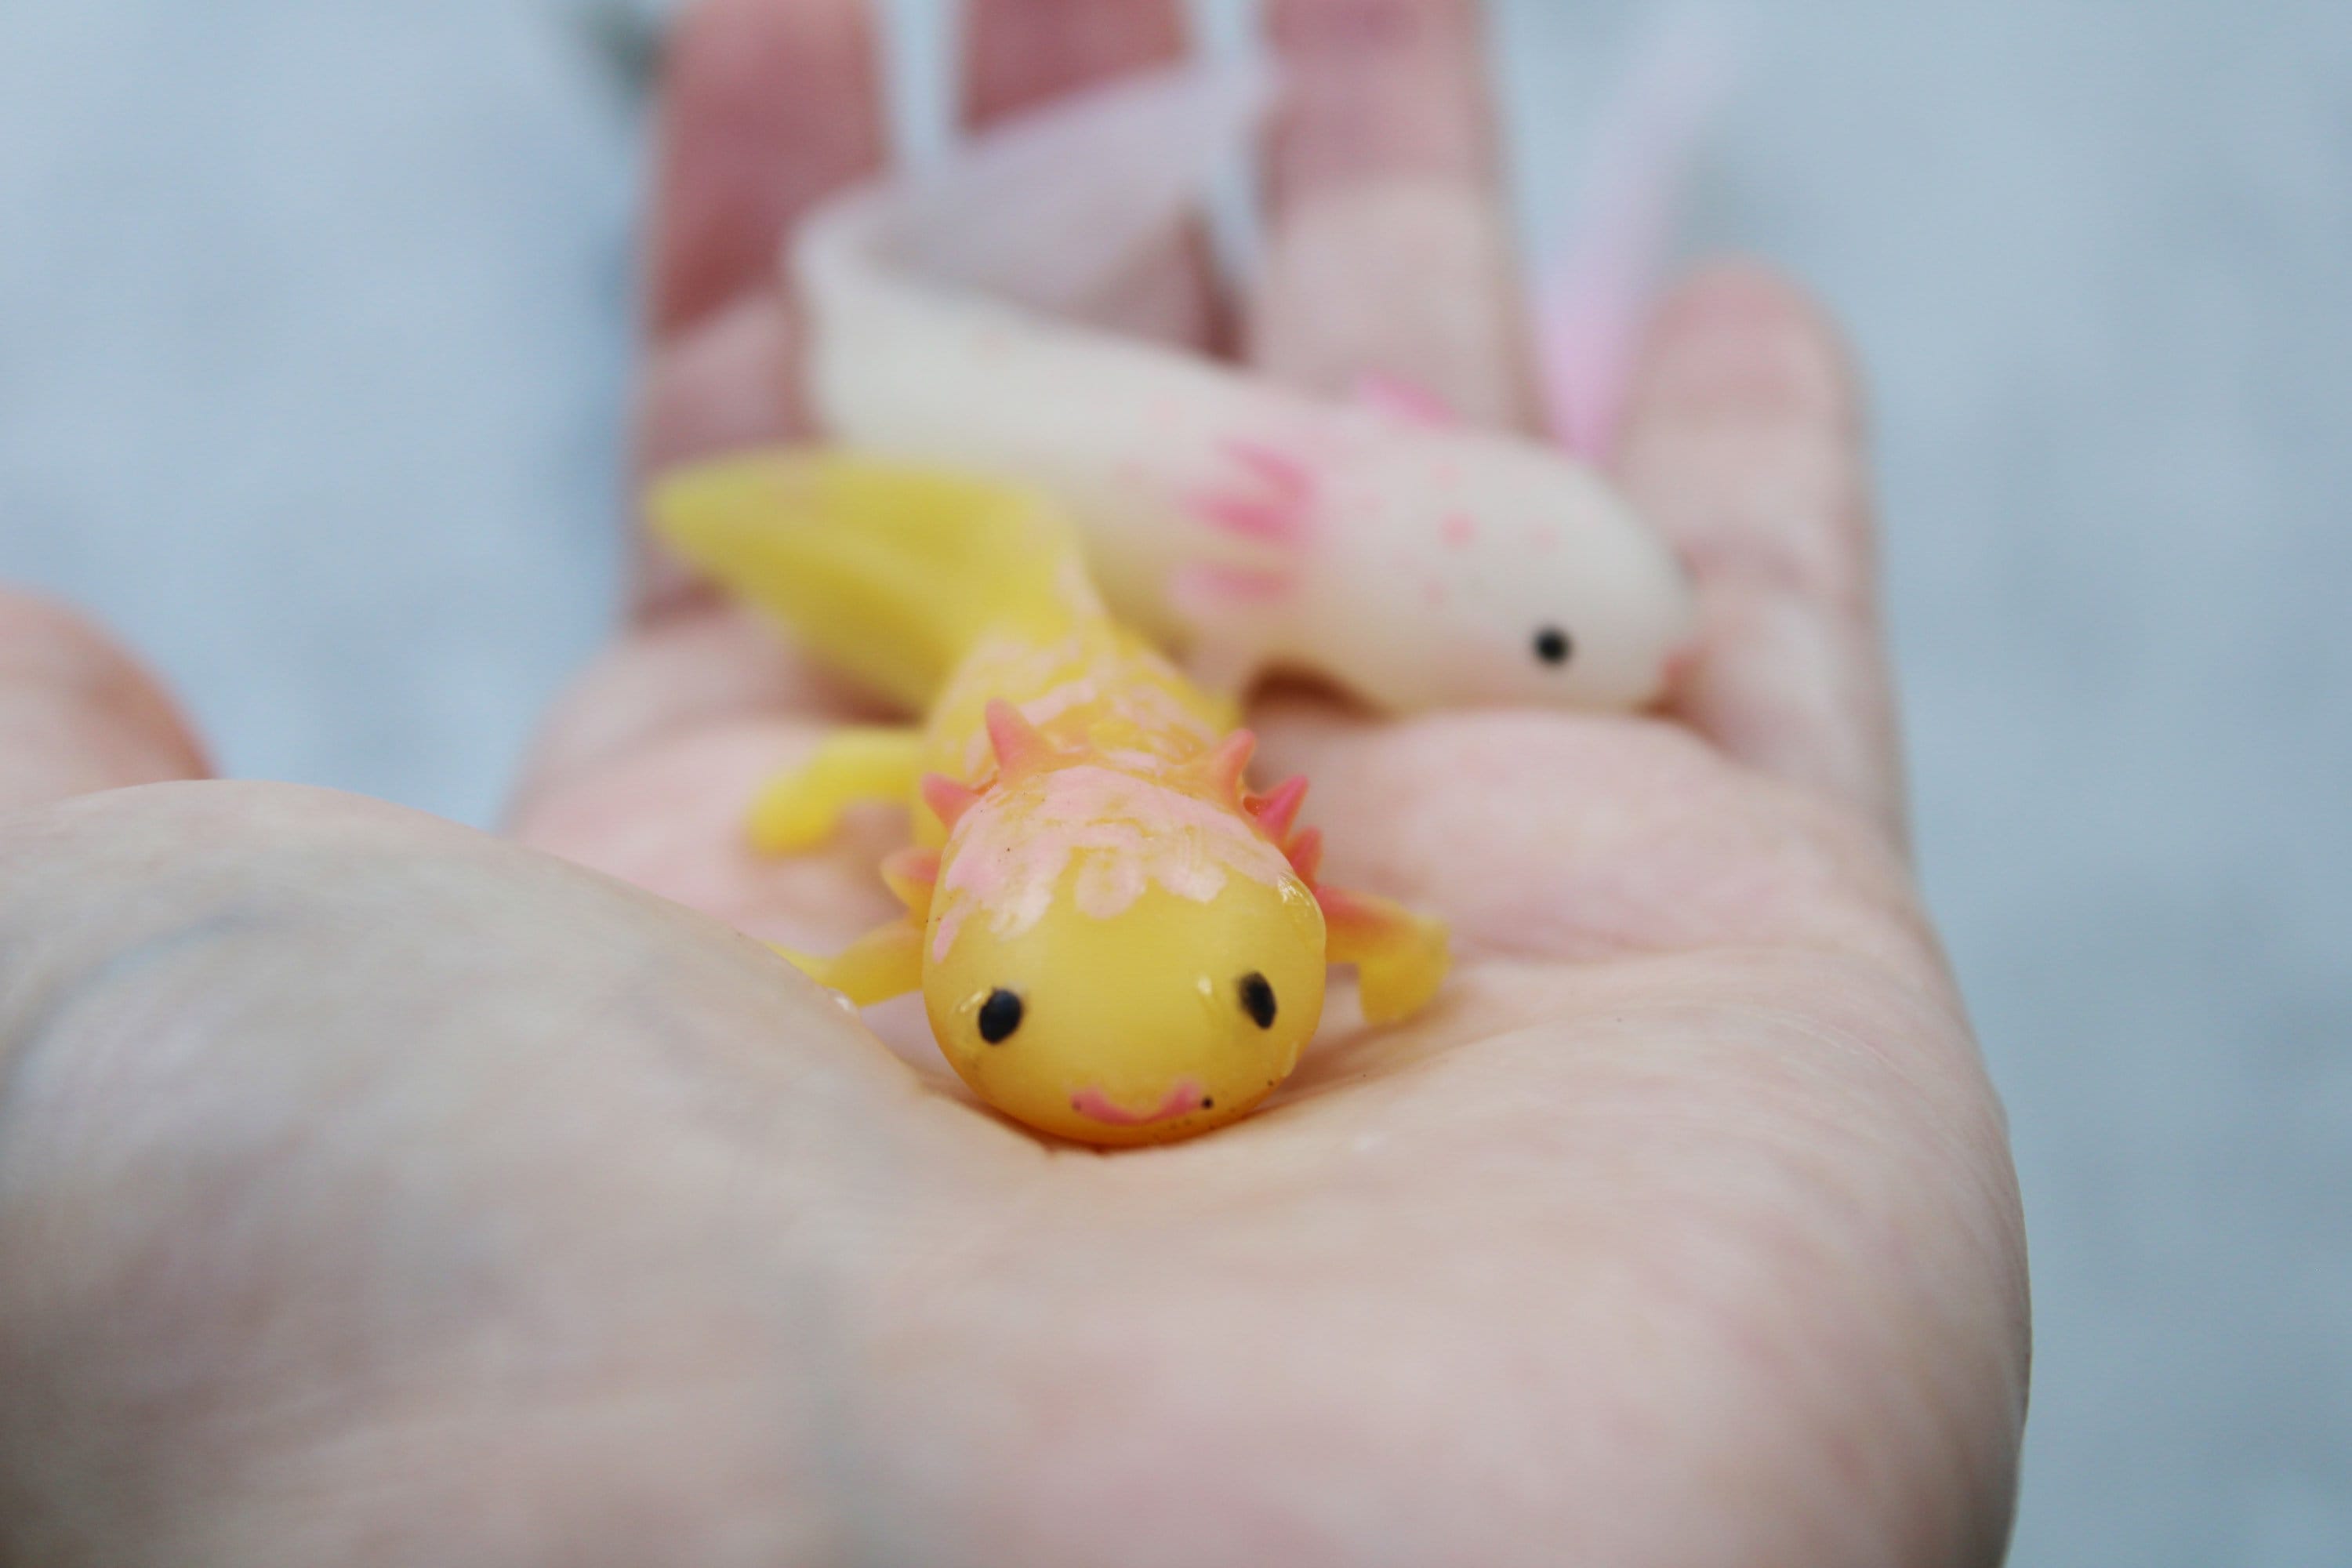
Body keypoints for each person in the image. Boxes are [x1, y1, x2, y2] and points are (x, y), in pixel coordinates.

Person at [0, 2, 2027, 1562]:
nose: (1138, 1090)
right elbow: (905, 962)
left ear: (1303, 901)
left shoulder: (1243, 896)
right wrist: (835, 826)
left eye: (1267, 995)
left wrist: (1393, 977)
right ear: (939, 934)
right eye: (994, 1017)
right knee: (941, 658)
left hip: (1099, 706)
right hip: (1010, 703)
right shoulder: (965, 840)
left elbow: (1390, 957)